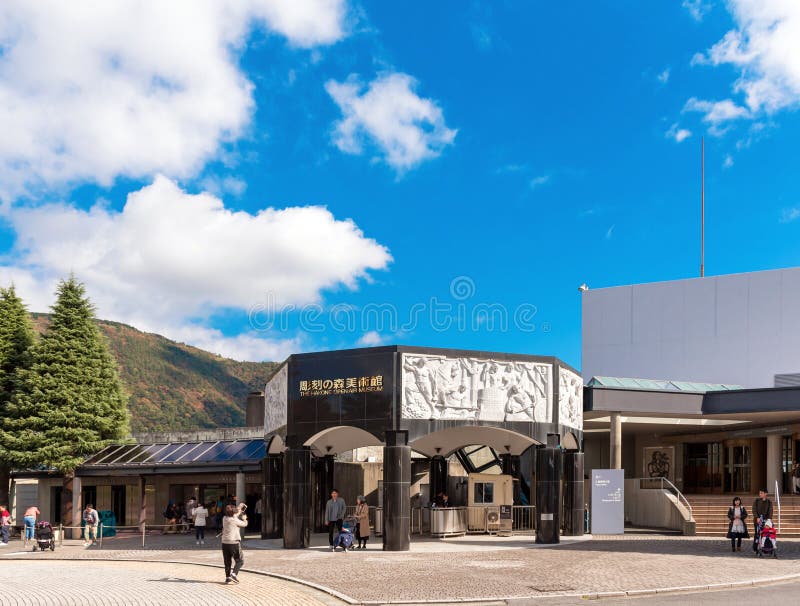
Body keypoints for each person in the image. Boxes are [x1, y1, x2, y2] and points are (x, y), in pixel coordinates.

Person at [221, 503, 247, 584]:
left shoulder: (224, 518)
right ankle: (234, 574)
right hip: (233, 542)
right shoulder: (235, 520)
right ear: (233, 512)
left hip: (224, 543)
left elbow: (234, 514)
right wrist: (245, 518)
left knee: (227, 561)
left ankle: (228, 577)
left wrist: (239, 508)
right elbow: (245, 524)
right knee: (240, 561)